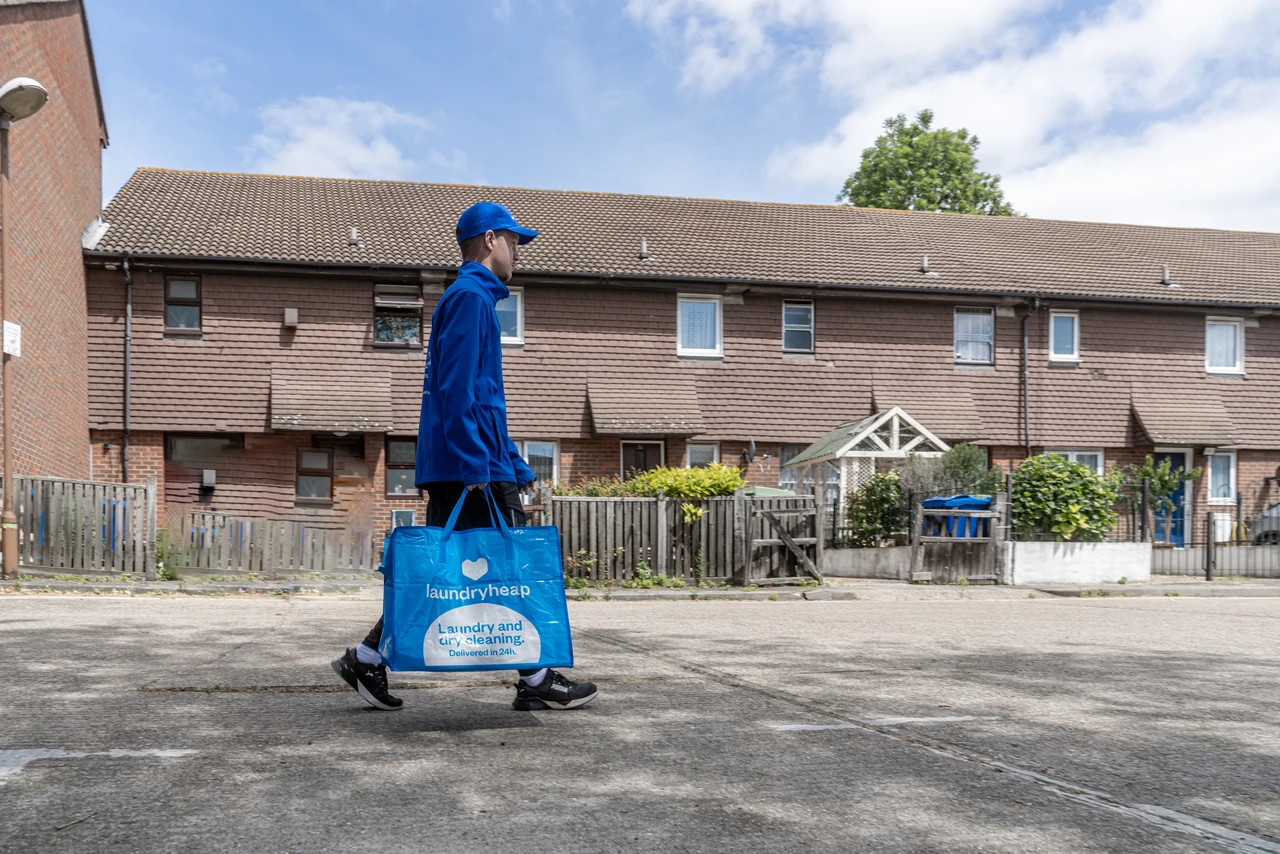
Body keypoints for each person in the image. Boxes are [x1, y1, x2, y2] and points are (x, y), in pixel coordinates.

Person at [332, 201, 598, 713]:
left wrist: (512, 461)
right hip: (468, 467)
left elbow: (482, 397)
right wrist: (479, 464)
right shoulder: (471, 298)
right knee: (505, 563)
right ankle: (536, 677)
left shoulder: (473, 299)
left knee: (448, 571)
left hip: (472, 460)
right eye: (515, 241)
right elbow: (455, 392)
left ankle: (368, 656)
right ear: (491, 239)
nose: (519, 251)